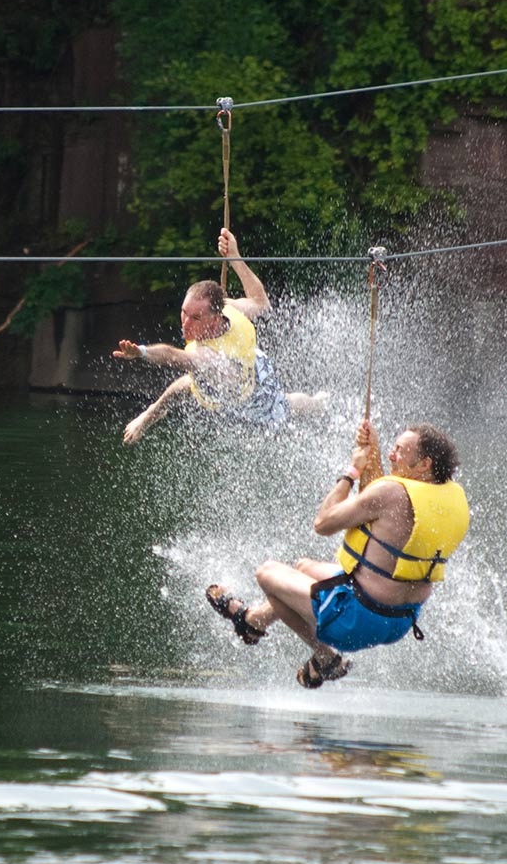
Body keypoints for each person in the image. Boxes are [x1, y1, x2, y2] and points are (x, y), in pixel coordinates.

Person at [205, 419, 469, 688]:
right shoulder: (448, 497)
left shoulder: (391, 493)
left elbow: (323, 523)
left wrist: (353, 470)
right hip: (400, 621)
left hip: (356, 619)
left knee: (268, 574)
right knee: (302, 568)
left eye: (400, 450)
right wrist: (373, 451)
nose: (393, 455)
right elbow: (380, 505)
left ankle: (325, 657)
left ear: (425, 464)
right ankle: (253, 621)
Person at [112, 228, 324, 443]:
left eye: (195, 318)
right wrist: (233, 256)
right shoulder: (226, 308)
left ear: (214, 319)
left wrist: (143, 352)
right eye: (184, 312)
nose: (185, 323)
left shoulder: (208, 355)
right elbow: (259, 301)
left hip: (250, 395)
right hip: (248, 361)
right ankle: (152, 413)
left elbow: (173, 356)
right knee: (190, 381)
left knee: (285, 405)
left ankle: (318, 404)